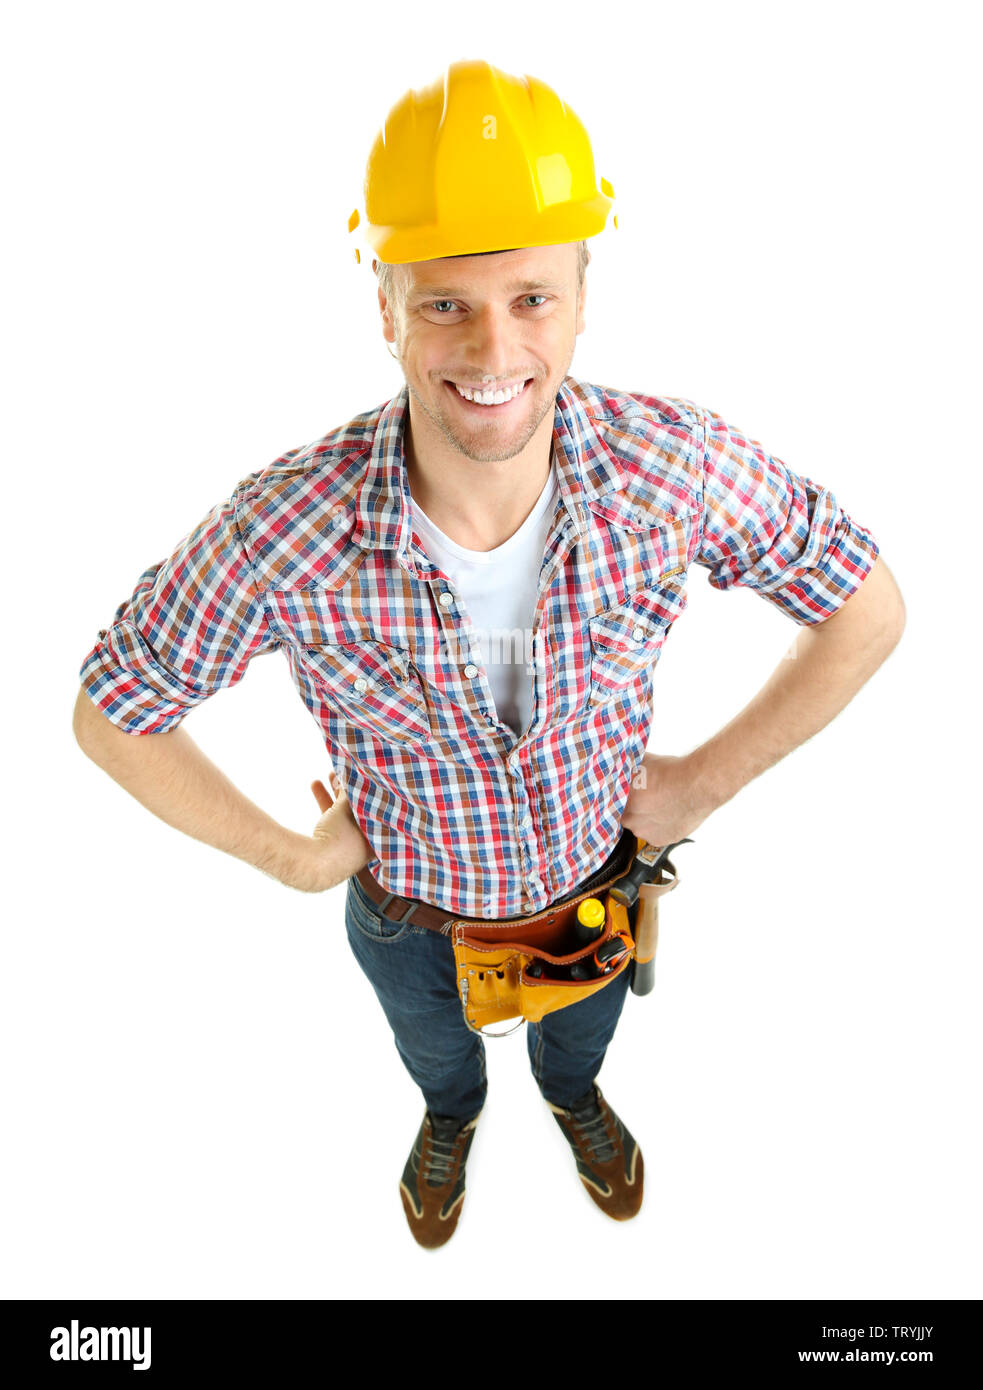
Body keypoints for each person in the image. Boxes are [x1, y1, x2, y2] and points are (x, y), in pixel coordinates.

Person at [73, 60, 906, 1251]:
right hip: (408, 916)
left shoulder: (672, 470)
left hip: (594, 892)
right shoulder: (285, 531)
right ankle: (450, 1118)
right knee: (434, 1057)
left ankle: (572, 1101)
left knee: (578, 1044)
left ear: (579, 297)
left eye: (530, 297)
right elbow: (112, 711)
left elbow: (865, 609)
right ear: (384, 305)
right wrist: (292, 860)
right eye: (445, 303)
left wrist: (690, 785)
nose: (493, 348)